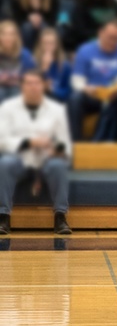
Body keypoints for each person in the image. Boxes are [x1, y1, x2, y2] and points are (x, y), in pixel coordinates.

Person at [0, 70, 71, 236]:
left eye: (37, 83)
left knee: (59, 165)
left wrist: (57, 149)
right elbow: (2, 140)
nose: (33, 87)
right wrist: (28, 142)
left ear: (44, 86)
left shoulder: (57, 109)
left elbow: (65, 143)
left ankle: (60, 217)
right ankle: (3, 216)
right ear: (21, 86)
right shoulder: (7, 108)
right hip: (19, 158)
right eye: (28, 83)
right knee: (4, 164)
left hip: (47, 158)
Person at [32, 28, 71, 102]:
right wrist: (44, 69)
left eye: (51, 43)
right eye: (45, 43)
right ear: (40, 44)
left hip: (57, 98)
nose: (48, 46)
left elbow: (68, 90)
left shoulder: (65, 65)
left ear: (56, 45)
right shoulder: (33, 62)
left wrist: (53, 90)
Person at [0, 21, 34, 103]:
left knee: (16, 92)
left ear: (16, 37)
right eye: (4, 34)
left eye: (11, 34)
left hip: (18, 88)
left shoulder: (25, 54)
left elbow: (32, 75)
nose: (8, 37)